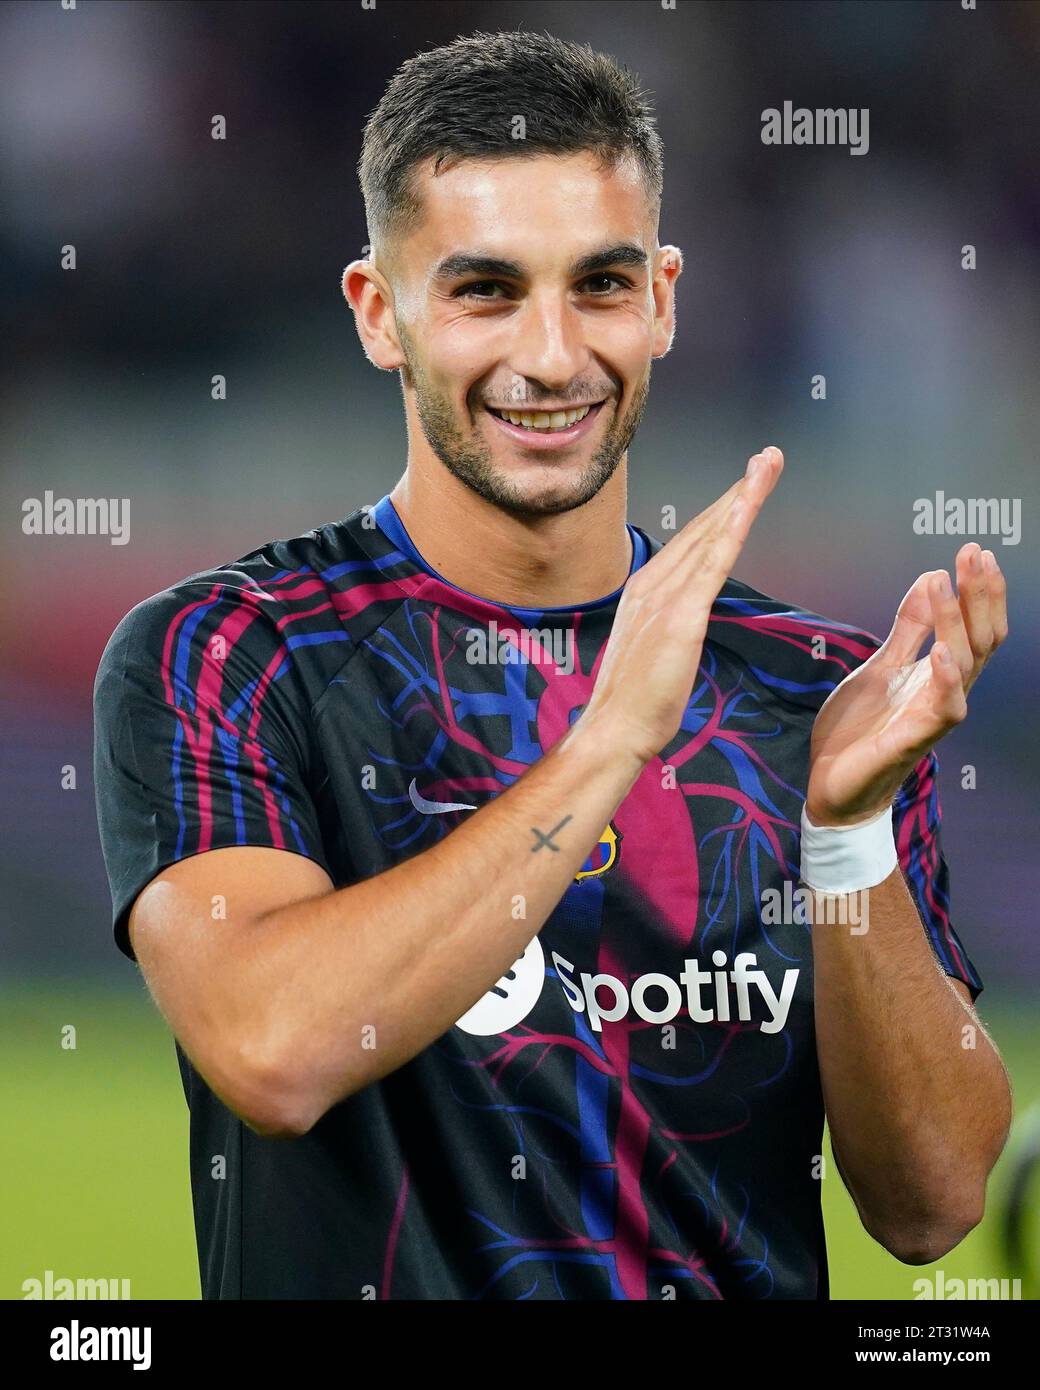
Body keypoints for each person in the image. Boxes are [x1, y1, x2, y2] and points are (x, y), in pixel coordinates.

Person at [93, 30, 1011, 1300]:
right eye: (483, 290)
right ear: (380, 313)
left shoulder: (816, 697)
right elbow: (272, 1048)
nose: (550, 355)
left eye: (599, 285)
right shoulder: (234, 652)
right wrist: (603, 746)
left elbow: (932, 1205)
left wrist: (847, 835)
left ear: (665, 300)